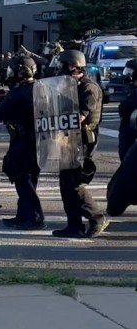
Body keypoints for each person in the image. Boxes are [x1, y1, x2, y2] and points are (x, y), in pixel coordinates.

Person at [53, 50, 109, 238]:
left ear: (72, 65)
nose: (60, 69)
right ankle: (74, 225)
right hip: (67, 139)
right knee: (65, 184)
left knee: (75, 183)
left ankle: (97, 217)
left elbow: (80, 117)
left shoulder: (88, 88)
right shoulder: (68, 86)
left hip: (82, 142)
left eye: (63, 65)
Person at [0, 56, 45, 230]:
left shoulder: (19, 92)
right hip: (40, 141)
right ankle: (23, 215)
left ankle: (35, 217)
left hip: (23, 141)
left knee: (23, 180)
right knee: (31, 179)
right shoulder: (41, 88)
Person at [117, 58, 137, 160]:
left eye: (130, 72)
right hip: (126, 130)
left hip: (132, 131)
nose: (127, 75)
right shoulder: (131, 90)